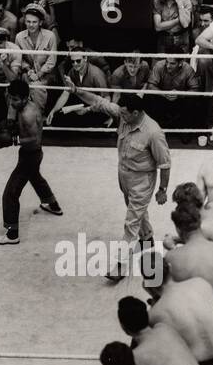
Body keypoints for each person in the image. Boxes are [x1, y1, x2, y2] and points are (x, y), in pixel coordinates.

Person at [59, 83, 171, 280]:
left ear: (136, 113)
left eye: (126, 115)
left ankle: (120, 265)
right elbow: (99, 102)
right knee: (137, 212)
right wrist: (77, 91)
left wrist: (162, 189)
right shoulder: (123, 113)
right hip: (124, 175)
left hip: (142, 181)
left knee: (131, 221)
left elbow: (165, 163)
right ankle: (147, 239)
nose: (121, 118)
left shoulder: (153, 132)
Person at [0, 77, 63, 245]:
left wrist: (13, 140)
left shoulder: (29, 115)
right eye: (11, 98)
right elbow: (13, 111)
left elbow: (34, 140)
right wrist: (10, 123)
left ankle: (12, 234)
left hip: (31, 154)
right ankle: (53, 204)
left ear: (25, 98)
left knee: (10, 193)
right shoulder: (25, 105)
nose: (12, 102)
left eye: (15, 99)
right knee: (35, 177)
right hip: (31, 154)